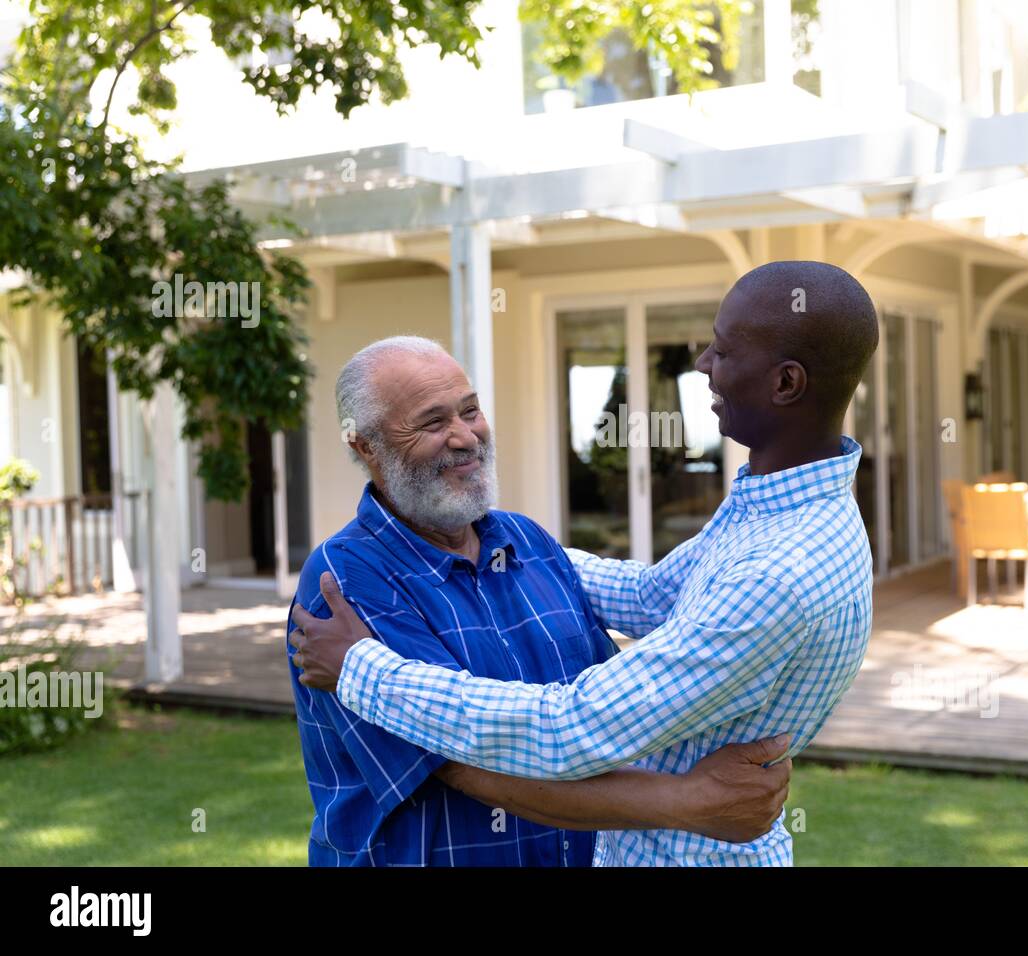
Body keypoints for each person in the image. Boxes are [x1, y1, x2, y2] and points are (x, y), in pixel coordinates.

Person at [293, 261, 879, 865]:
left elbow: (573, 728)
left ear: (786, 385)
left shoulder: (779, 570)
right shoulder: (348, 580)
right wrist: (527, 554)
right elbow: (657, 597)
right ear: (365, 445)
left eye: (722, 351)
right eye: (432, 421)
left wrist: (361, 669)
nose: (703, 364)